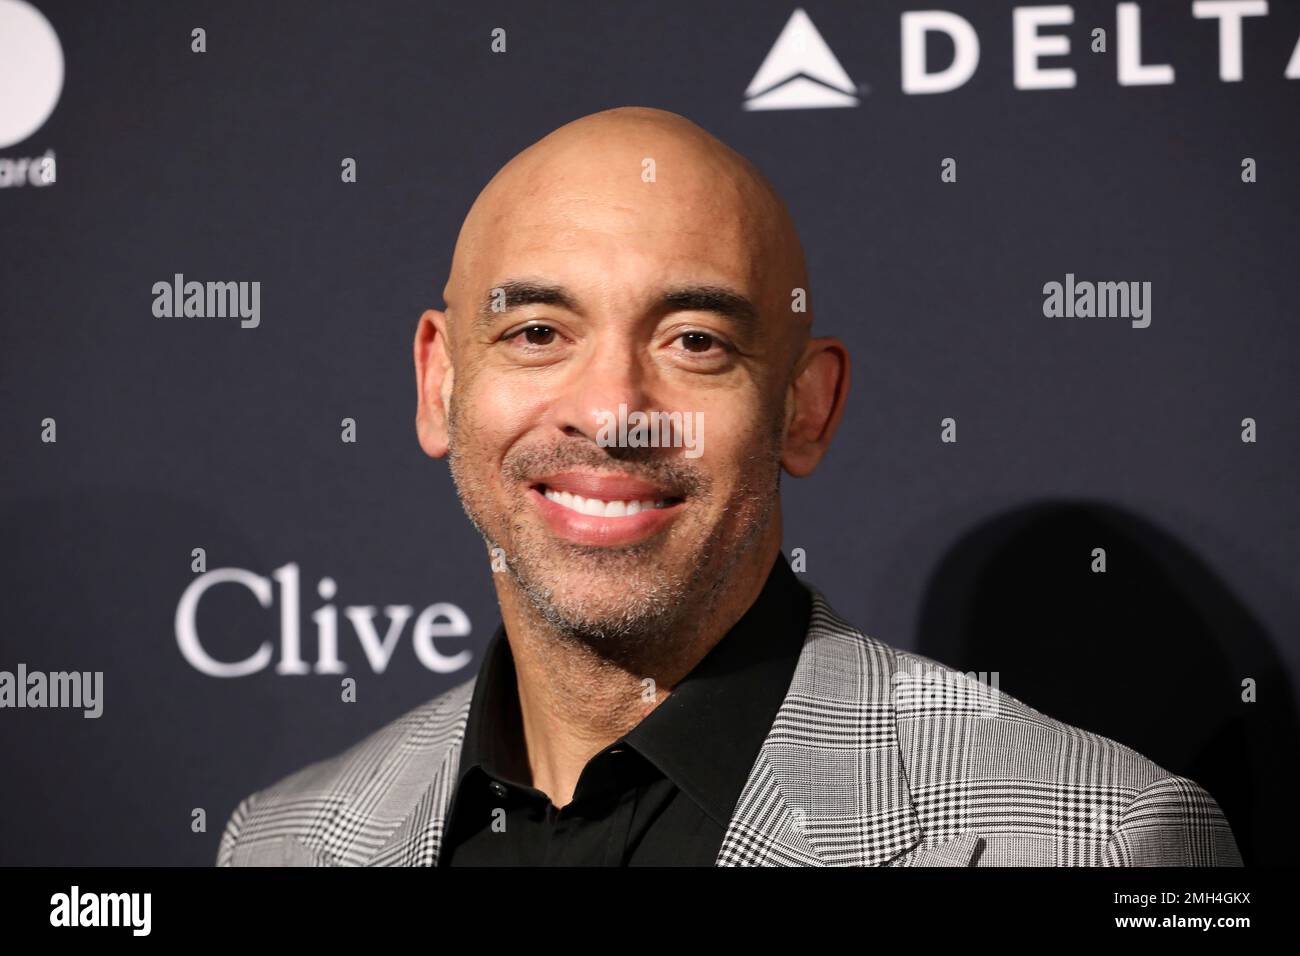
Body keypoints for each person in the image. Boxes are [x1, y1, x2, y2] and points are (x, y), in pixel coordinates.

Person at [217, 107, 1241, 867]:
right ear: (441, 381)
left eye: (694, 341)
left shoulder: (1106, 839)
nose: (614, 411)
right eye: (537, 333)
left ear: (804, 407)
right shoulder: (280, 843)